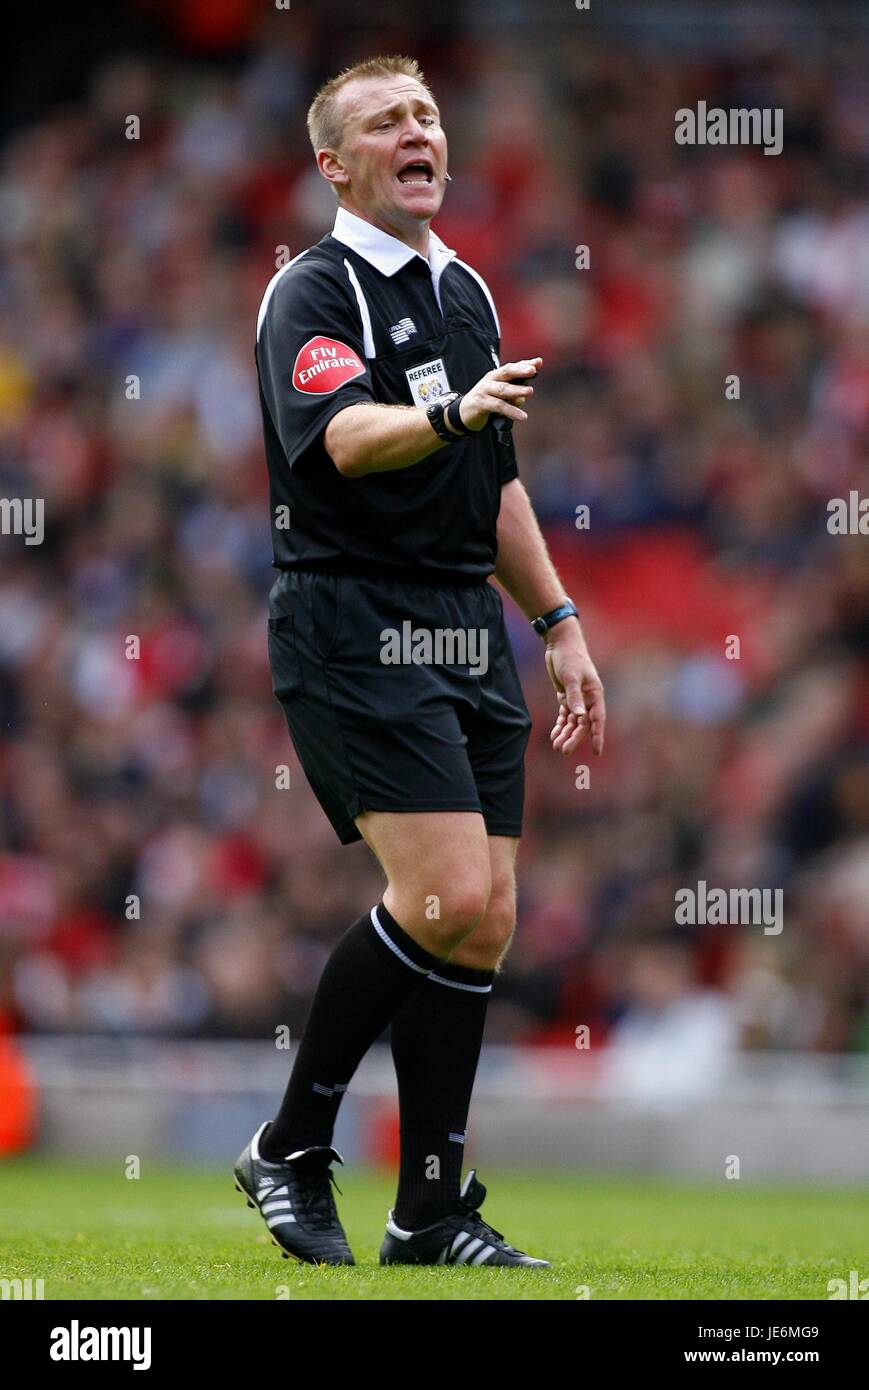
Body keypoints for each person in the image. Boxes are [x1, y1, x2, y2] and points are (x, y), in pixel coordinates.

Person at [234, 54, 605, 1268]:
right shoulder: (311, 289)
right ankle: (290, 1143)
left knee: (483, 921)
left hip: (464, 620)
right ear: (334, 165)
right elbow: (343, 440)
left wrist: (556, 624)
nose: (417, 131)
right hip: (351, 617)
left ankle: (429, 1208)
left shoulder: (466, 293)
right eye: (386, 121)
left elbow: (492, 484)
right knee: (440, 895)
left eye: (428, 115)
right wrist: (446, 416)